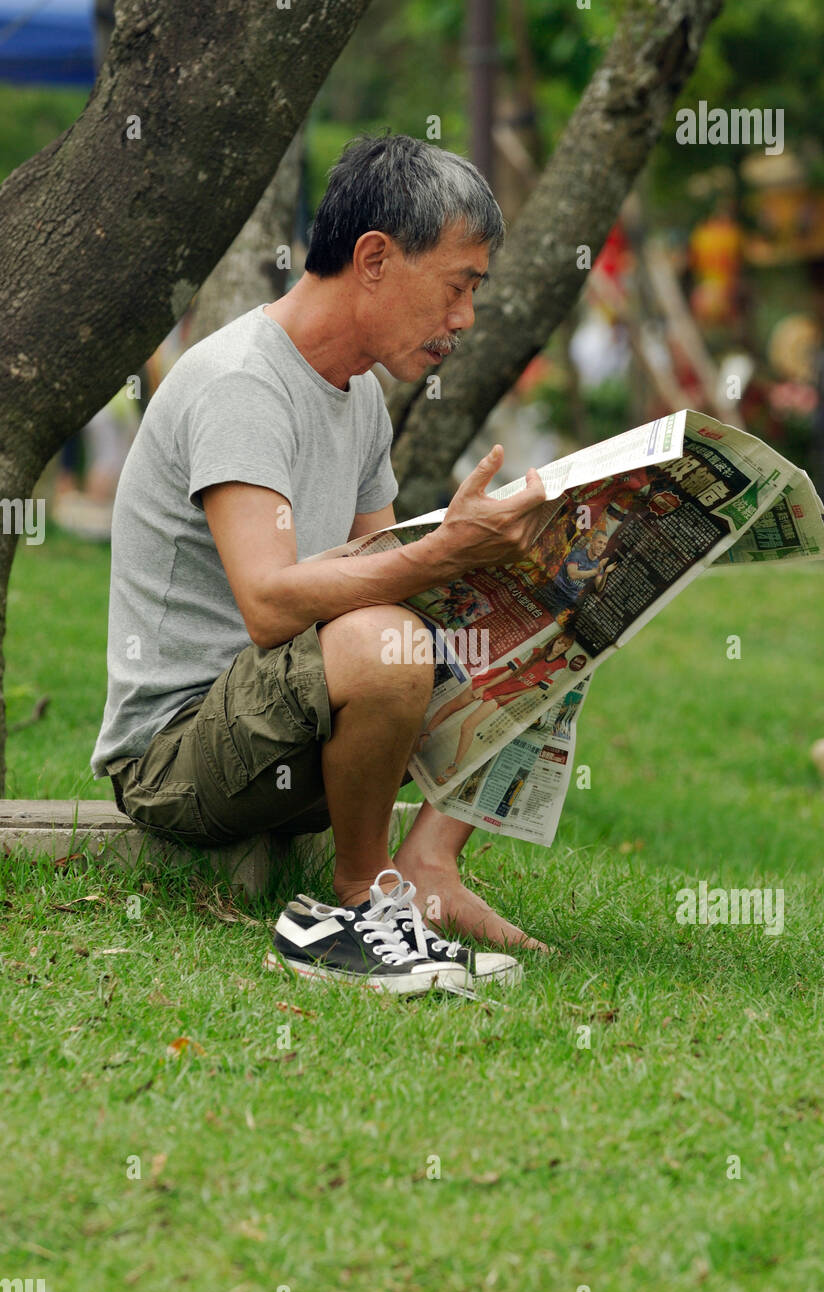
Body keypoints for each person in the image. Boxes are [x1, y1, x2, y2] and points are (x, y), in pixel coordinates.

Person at [91, 135, 553, 995]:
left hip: (294, 740)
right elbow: (272, 607)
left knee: (543, 618)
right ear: (375, 258)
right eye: (459, 286)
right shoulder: (242, 382)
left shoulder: (361, 396)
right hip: (181, 755)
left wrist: (486, 563)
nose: (466, 319)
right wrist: (436, 554)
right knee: (387, 645)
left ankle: (431, 869)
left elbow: (384, 569)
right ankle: (360, 896)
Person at [416, 630, 575, 784]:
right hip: (494, 680)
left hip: (506, 693)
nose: (560, 647)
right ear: (555, 640)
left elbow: (537, 686)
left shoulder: (561, 664)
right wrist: (484, 688)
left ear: (567, 649)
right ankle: (426, 734)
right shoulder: (536, 652)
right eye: (560, 642)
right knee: (453, 706)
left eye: (565, 646)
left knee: (467, 726)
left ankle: (454, 766)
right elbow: (508, 673)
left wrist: (507, 696)